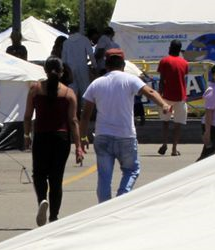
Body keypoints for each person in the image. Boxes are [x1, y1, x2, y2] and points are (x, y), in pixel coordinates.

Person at [80, 50, 172, 203]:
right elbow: (149, 91)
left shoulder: (96, 83)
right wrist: (164, 104)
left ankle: (104, 208)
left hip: (102, 136)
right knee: (131, 170)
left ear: (106, 65)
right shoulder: (130, 80)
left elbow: (85, 114)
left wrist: (83, 136)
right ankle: (121, 200)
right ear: (123, 65)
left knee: (104, 176)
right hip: (125, 136)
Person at [24, 57, 83, 226]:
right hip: (61, 138)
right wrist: (78, 146)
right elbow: (73, 121)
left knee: (39, 173)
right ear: (62, 72)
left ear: (44, 70)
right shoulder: (69, 93)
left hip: (41, 137)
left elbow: (28, 116)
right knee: (56, 178)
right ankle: (54, 217)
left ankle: (43, 199)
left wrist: (26, 135)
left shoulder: (35, 89)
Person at [156, 41, 189, 156]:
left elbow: (161, 80)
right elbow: (183, 77)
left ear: (170, 48)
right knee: (178, 123)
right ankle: (174, 149)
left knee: (165, 121)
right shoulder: (185, 63)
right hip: (180, 97)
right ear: (180, 50)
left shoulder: (164, 61)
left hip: (166, 97)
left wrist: (159, 95)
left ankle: (164, 143)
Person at [61, 28, 95, 113]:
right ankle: (86, 113)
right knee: (85, 91)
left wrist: (64, 70)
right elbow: (91, 54)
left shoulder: (66, 42)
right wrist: (94, 65)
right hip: (82, 68)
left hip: (70, 69)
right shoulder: (84, 40)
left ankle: (73, 112)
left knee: (72, 91)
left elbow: (63, 59)